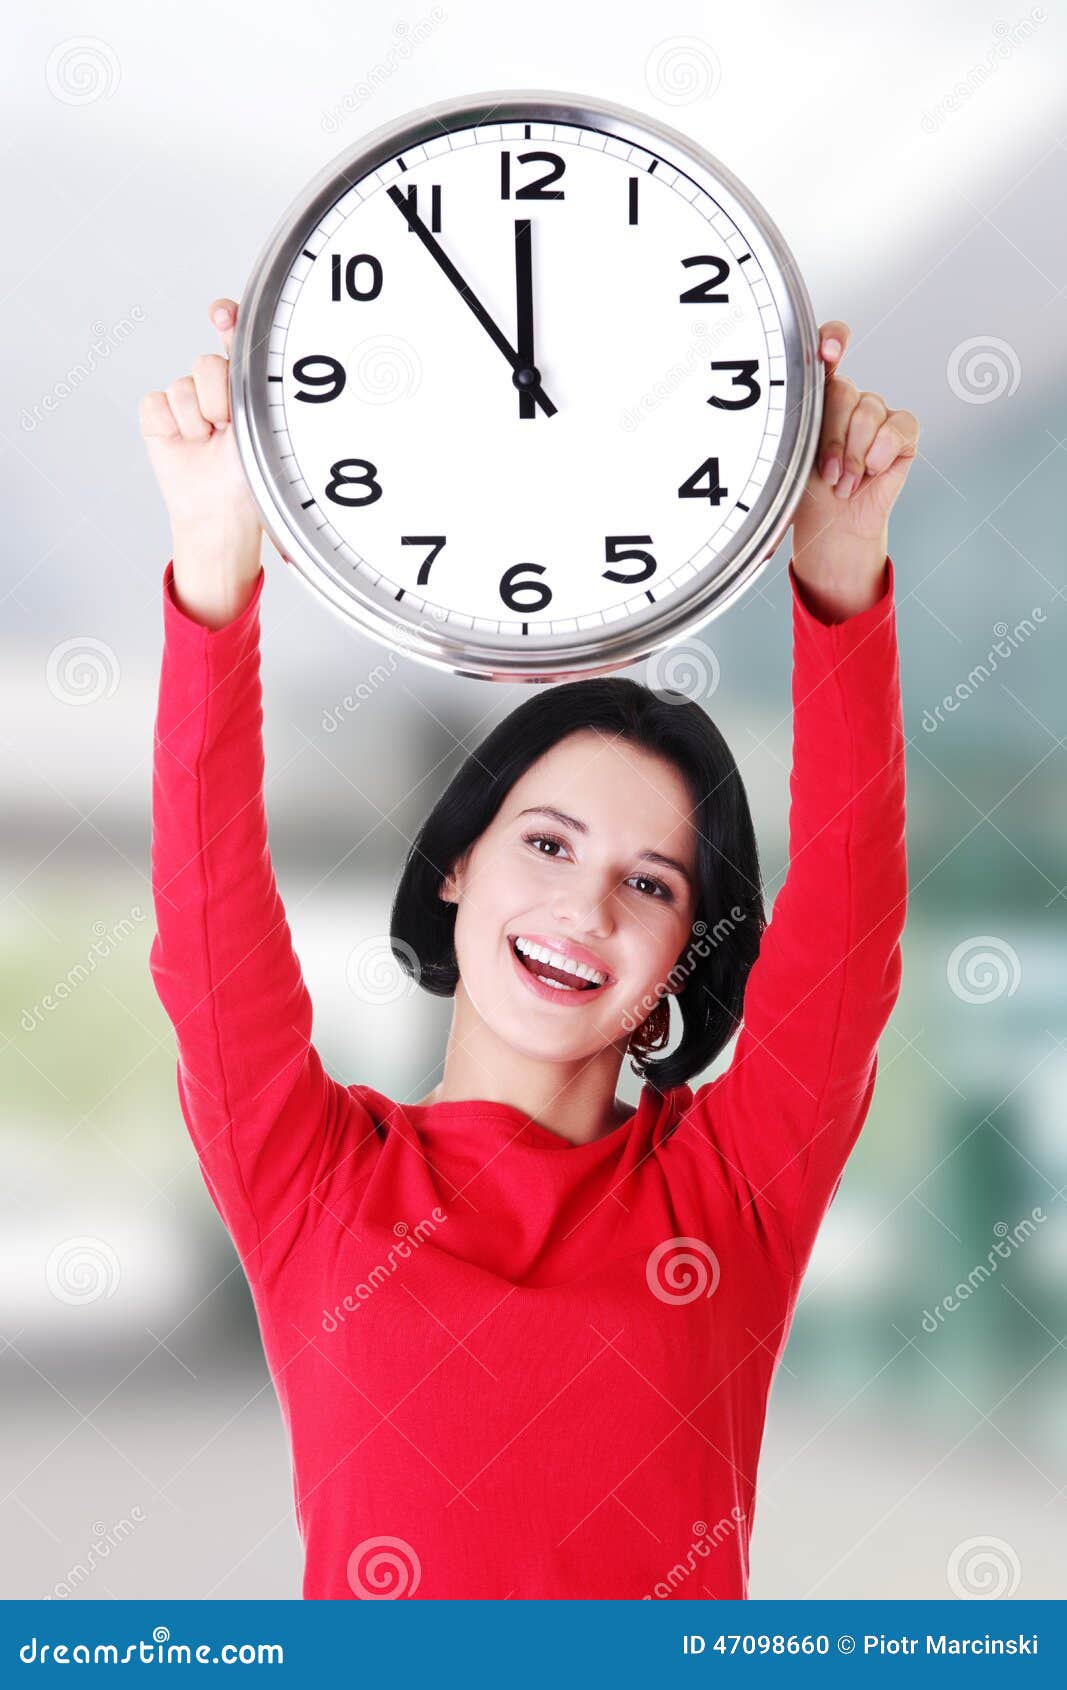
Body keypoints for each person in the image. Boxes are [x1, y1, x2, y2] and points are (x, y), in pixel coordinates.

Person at [141, 297, 915, 1600]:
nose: (586, 908)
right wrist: (217, 564)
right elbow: (206, 908)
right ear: (457, 864)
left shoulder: (725, 1194)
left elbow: (848, 927)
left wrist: (837, 577)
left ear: (681, 955)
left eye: (651, 882)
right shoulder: (312, 1180)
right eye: (547, 845)